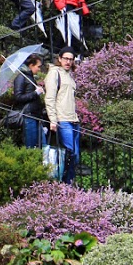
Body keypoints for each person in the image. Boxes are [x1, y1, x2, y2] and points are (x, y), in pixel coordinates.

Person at [44, 50, 80, 184]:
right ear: (59, 58)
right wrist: (53, 120)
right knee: (69, 153)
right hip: (62, 119)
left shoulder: (69, 75)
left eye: (71, 59)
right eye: (66, 58)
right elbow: (50, 98)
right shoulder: (54, 73)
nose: (68, 62)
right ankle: (64, 184)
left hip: (73, 119)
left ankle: (68, 184)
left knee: (75, 156)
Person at [9, 53, 47, 148]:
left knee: (42, 145)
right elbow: (18, 97)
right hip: (28, 115)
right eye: (38, 66)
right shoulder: (21, 77)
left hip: (36, 115)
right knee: (31, 146)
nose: (39, 69)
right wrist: (35, 93)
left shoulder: (30, 77)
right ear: (31, 65)